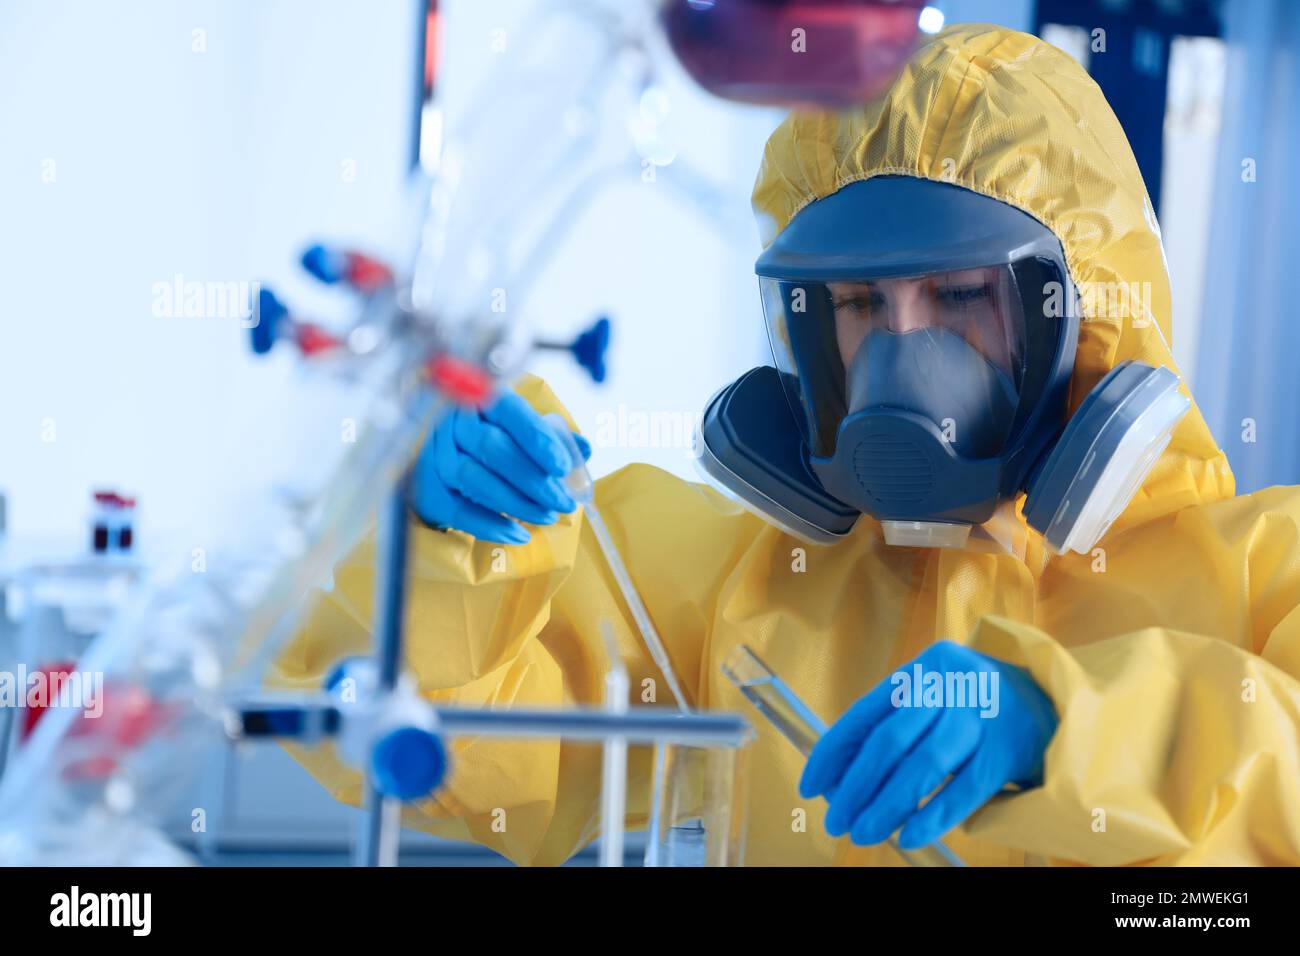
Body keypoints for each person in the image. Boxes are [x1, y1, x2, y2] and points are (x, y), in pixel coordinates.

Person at [270, 24, 1300, 866]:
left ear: (1075, 308)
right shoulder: (732, 585)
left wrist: (1067, 731)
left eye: (954, 295)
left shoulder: (1263, 571)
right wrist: (451, 548)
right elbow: (450, 755)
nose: (902, 346)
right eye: (860, 301)